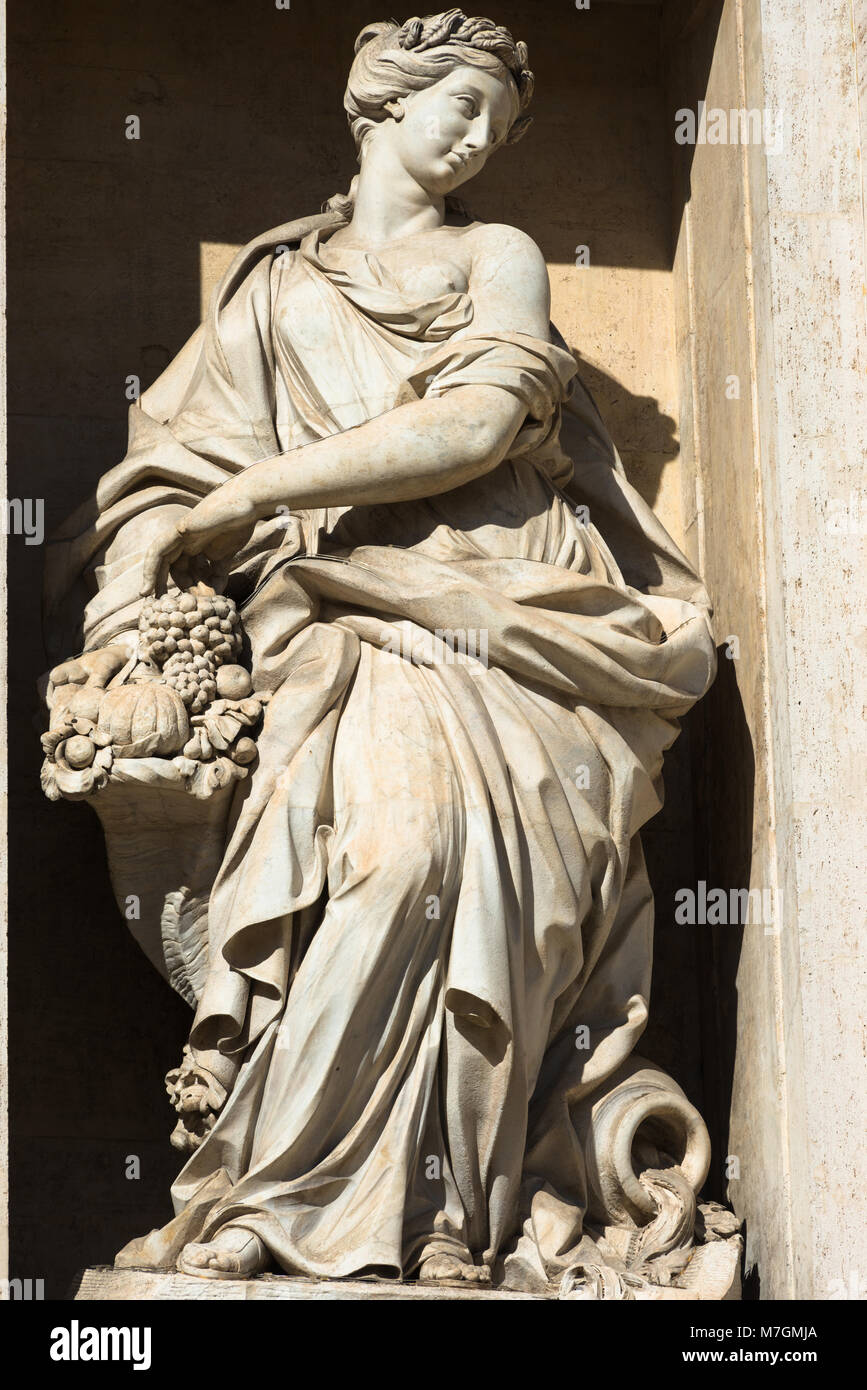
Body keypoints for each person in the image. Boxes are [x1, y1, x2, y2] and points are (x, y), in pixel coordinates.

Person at [44, 10, 715, 1287]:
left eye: (502, 126)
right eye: (458, 104)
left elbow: (479, 421)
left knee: (470, 868)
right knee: (391, 850)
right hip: (335, 623)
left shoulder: (501, 256)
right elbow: (164, 475)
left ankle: (454, 1214)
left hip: (509, 617)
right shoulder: (275, 290)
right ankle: (277, 1199)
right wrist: (134, 611)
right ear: (379, 101)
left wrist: (255, 496)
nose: (477, 138)